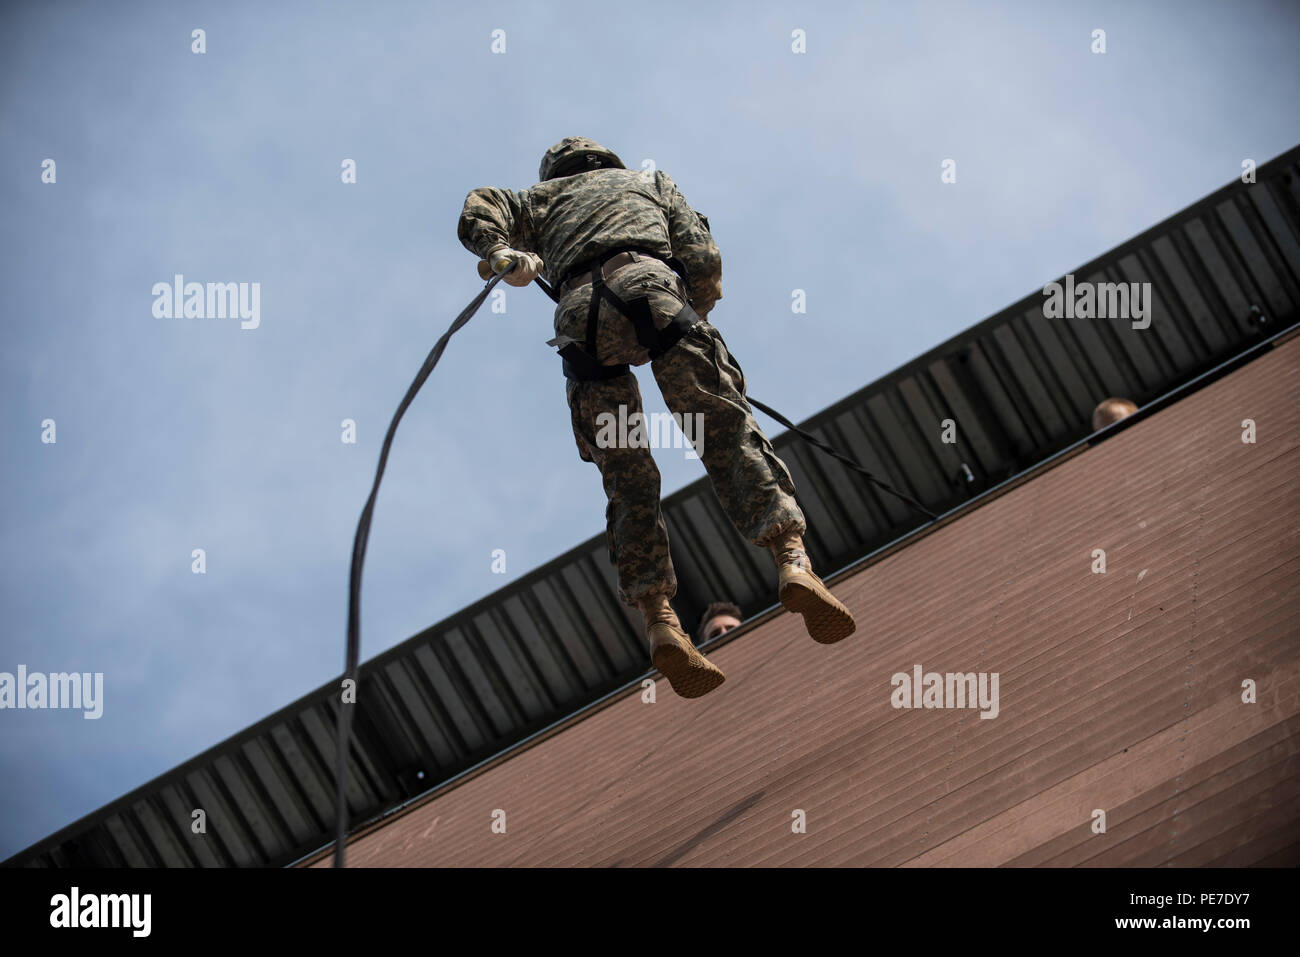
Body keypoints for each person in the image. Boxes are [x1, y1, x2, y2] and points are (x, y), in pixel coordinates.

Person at [458, 136, 855, 700]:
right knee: (721, 429)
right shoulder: (648, 182)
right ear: (606, 161)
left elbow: (480, 205)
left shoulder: (540, 200)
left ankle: (660, 620)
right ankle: (791, 560)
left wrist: (502, 254)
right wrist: (694, 315)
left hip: (582, 325)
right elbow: (702, 257)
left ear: (555, 171)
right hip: (652, 296)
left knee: (628, 476)